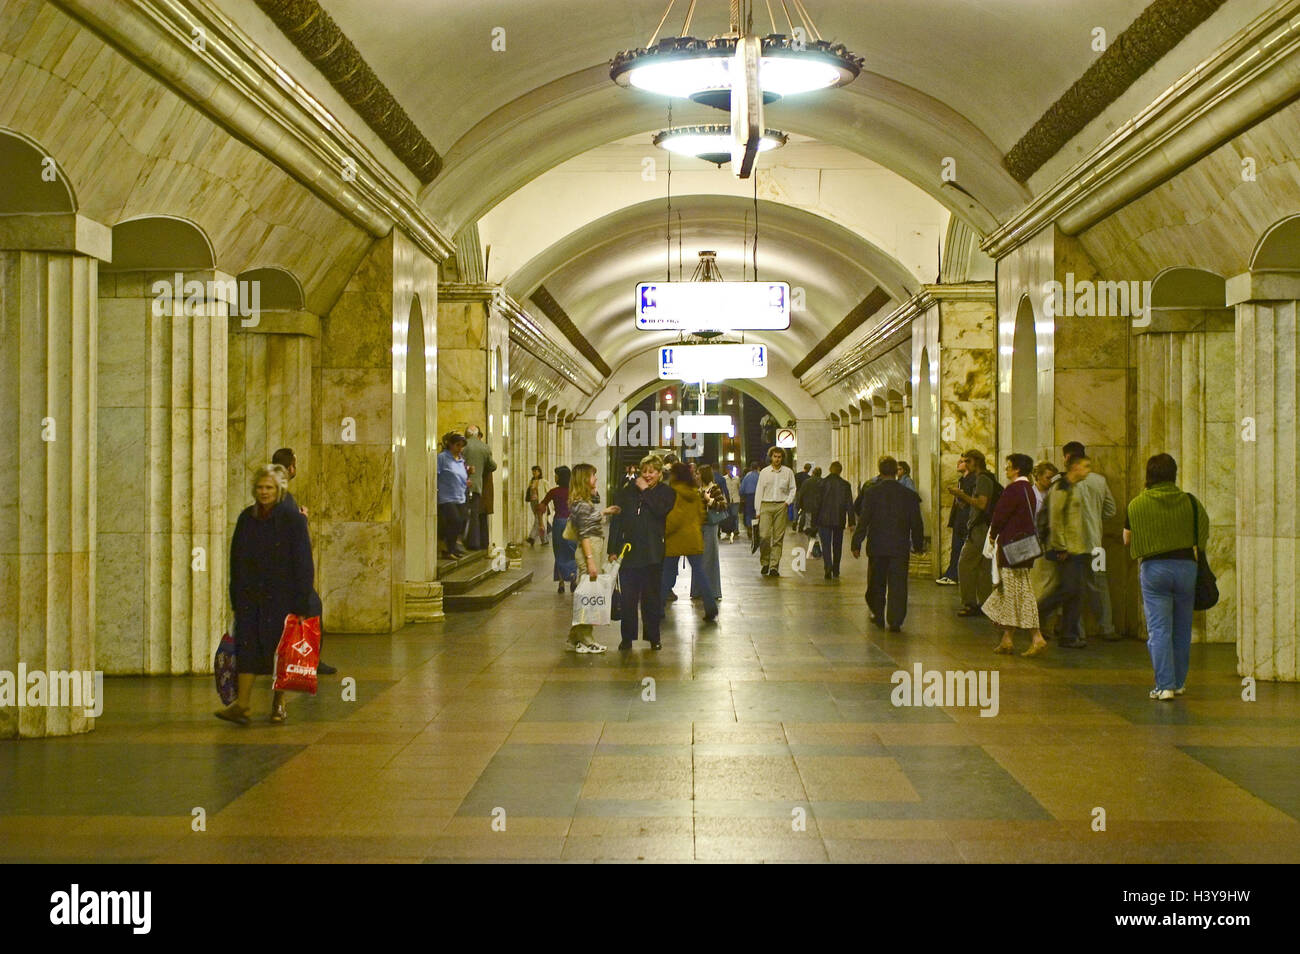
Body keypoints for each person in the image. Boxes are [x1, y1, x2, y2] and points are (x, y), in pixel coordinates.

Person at [218, 464, 315, 726]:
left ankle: (278, 703)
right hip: (250, 596)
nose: (264, 492)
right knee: (246, 647)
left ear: (279, 490)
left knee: (278, 652)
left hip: (281, 597)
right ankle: (244, 705)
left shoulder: (292, 519)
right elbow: (236, 559)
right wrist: (235, 596)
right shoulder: (246, 518)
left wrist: (303, 601)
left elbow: (303, 561)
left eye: (269, 488)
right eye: (260, 487)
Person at [1124, 453, 1208, 700]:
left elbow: (1127, 539)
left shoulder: (1136, 504)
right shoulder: (1190, 502)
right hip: (1186, 568)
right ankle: (1179, 683)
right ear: (1174, 474)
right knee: (1182, 629)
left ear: (1149, 476)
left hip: (1155, 569)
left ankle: (1165, 686)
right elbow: (1203, 531)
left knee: (1159, 629)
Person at [1035, 454, 1113, 648]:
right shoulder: (1062, 488)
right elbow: (1056, 520)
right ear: (1075, 467)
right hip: (1066, 550)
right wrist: (1061, 547)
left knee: (1075, 592)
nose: (1088, 470)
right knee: (1067, 590)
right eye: (1085, 466)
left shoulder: (1074, 488)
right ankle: (1037, 613)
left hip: (1078, 549)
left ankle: (1068, 635)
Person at [269, 448, 334, 675]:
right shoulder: (282, 496)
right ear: (290, 468)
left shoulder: (280, 495)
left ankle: (300, 659)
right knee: (312, 608)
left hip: (279, 569)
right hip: (287, 570)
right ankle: (309, 660)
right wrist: (302, 519)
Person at [607, 454, 675, 650]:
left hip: (652, 553)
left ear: (659, 474)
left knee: (651, 598)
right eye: (644, 471)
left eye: (651, 472)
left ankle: (653, 637)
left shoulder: (666, 493)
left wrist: (646, 492)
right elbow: (617, 520)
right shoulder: (628, 491)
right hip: (628, 552)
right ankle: (627, 638)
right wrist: (613, 548)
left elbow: (660, 510)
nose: (647, 475)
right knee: (628, 598)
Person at [1053, 442, 1119, 641]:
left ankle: (1077, 632)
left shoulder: (1062, 482)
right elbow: (1111, 510)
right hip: (1096, 545)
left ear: (1067, 458)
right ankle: (1107, 628)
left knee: (1073, 589)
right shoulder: (1099, 480)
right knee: (1100, 586)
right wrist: (1094, 519)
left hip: (1072, 548)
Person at [851, 456, 924, 632]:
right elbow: (917, 523)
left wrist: (856, 542)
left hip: (877, 545)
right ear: (895, 471)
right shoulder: (909, 495)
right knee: (898, 584)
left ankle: (877, 613)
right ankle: (895, 620)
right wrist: (919, 545)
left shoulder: (872, 493)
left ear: (880, 470)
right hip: (900, 546)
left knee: (877, 582)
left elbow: (864, 519)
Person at [985, 454, 1048, 657]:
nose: (1006, 469)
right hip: (1024, 547)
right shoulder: (1029, 489)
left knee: (1018, 592)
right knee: (1013, 590)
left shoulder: (1013, 490)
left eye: (1009, 466)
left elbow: (1000, 515)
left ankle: (1037, 637)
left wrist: (993, 535)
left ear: (1017, 469)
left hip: (1012, 547)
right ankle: (1007, 639)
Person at [564, 463, 620, 654]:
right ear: (584, 480)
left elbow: (588, 518)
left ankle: (574, 638)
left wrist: (604, 511)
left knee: (588, 595)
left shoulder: (582, 503)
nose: (596, 479)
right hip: (589, 550)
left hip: (593, 549)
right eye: (593, 476)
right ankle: (586, 638)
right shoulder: (581, 505)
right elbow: (584, 533)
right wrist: (590, 561)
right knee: (589, 597)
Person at [661, 462, 719, 623]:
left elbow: (675, 517)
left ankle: (658, 608)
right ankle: (711, 607)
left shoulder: (674, 492)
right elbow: (701, 514)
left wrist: (664, 531)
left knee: (667, 574)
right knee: (700, 573)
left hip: (676, 539)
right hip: (694, 537)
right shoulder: (695, 492)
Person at [953, 450, 996, 615]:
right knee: (984, 568)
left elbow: (982, 504)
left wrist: (962, 495)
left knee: (965, 564)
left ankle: (970, 603)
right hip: (983, 527)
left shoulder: (983, 479)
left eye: (968, 461)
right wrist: (961, 497)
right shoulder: (982, 478)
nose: (965, 464)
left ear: (976, 462)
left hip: (980, 528)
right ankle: (985, 603)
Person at [755, 446, 796, 576]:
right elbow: (759, 491)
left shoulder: (788, 472)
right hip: (765, 505)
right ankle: (765, 561)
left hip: (781, 506)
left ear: (782, 458)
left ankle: (774, 566)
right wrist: (758, 509)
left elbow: (793, 488)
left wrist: (787, 502)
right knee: (764, 536)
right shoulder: (764, 472)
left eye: (779, 457)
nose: (777, 459)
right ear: (770, 457)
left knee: (778, 538)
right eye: (775, 456)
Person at [693, 464, 728, 602]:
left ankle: (711, 590)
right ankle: (697, 590)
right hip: (697, 526)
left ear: (703, 475)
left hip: (710, 526)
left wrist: (710, 501)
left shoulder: (714, 489)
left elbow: (724, 505)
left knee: (709, 558)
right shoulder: (697, 489)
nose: (696, 476)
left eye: (698, 473)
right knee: (698, 558)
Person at [937, 457, 973, 585]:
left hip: (965, 520)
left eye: (962, 461)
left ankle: (955, 575)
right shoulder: (962, 480)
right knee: (956, 548)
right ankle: (951, 573)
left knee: (961, 549)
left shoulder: (972, 480)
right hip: (959, 519)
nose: (958, 463)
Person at [815, 461, 855, 579]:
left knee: (826, 545)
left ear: (829, 469)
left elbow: (817, 503)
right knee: (837, 545)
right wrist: (852, 522)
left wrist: (814, 520)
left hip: (824, 519)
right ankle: (836, 569)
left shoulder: (821, 483)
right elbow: (849, 505)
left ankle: (828, 567)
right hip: (839, 519)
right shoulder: (845, 485)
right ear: (840, 471)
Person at [437, 432, 473, 558]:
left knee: (462, 521)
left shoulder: (461, 459)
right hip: (446, 497)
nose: (460, 448)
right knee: (455, 521)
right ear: (450, 445)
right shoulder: (442, 458)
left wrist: (467, 481)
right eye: (457, 445)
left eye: (462, 446)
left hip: (460, 496)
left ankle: (453, 547)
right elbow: (436, 474)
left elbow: (461, 475)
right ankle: (448, 549)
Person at [542, 466, 576, 593]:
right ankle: (573, 579)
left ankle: (561, 583)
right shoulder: (574, 491)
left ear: (561, 477)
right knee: (572, 551)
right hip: (572, 524)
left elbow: (541, 506)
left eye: (556, 475)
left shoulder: (553, 492)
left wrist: (541, 523)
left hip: (558, 523)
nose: (554, 477)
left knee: (559, 552)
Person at [462, 425, 496, 550]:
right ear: (478, 435)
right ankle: (475, 542)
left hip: (462, 484)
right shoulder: (485, 447)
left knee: (463, 514)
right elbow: (492, 466)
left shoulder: (462, 446)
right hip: (477, 486)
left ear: (467, 434)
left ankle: (463, 541)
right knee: (475, 515)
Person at [795, 465, 823, 537]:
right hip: (820, 507)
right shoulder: (823, 482)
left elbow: (802, 493)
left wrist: (799, 504)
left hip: (808, 505)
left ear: (813, 473)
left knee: (808, 522)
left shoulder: (807, 482)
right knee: (817, 523)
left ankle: (808, 533)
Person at [525, 465, 550, 546]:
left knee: (537, 519)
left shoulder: (543, 481)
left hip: (540, 502)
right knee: (540, 521)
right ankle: (544, 540)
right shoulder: (531, 481)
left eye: (535, 471)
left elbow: (549, 492)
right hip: (533, 502)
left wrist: (546, 502)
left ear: (539, 472)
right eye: (533, 471)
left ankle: (531, 537)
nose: (534, 473)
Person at [739, 461, 761, 549]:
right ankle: (757, 529)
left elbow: (742, 488)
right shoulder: (760, 476)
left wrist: (742, 495)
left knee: (748, 513)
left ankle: (749, 529)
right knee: (757, 512)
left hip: (749, 497)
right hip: (758, 496)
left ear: (751, 467)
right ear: (757, 467)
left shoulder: (747, 476)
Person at [724, 465, 742, 541]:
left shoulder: (737, 478)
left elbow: (739, 488)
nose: (730, 471)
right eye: (728, 470)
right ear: (726, 471)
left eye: (731, 470)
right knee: (727, 516)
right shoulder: (724, 479)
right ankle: (728, 532)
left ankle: (736, 530)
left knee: (735, 515)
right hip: (727, 500)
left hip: (735, 499)